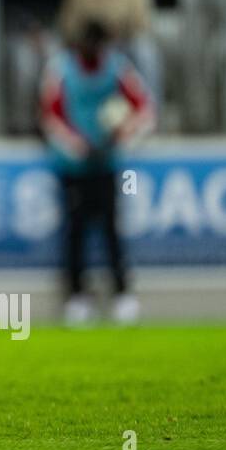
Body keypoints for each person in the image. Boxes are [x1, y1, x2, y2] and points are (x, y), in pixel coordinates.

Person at [39, 21, 155, 325]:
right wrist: (77, 146)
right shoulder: (61, 69)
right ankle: (76, 296)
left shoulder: (117, 68)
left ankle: (122, 294)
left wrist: (121, 136)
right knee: (75, 232)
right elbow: (51, 116)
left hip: (107, 163)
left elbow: (144, 110)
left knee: (111, 230)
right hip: (73, 167)